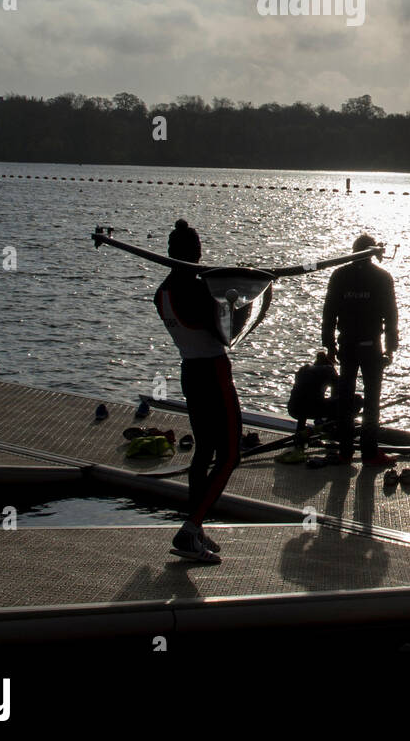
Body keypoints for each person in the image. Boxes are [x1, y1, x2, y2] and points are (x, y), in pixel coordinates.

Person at [154, 219, 241, 564]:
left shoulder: (161, 293)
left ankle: (196, 526)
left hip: (189, 370)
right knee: (230, 454)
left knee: (204, 451)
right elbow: (228, 334)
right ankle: (190, 528)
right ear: (196, 252)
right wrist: (244, 301)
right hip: (214, 372)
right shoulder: (198, 291)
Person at [321, 234, 399, 467]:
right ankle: (369, 453)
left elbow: (329, 311)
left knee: (345, 401)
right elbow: (391, 315)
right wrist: (391, 347)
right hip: (371, 347)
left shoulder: (339, 275)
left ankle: (345, 452)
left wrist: (329, 343)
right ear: (373, 252)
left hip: (347, 346)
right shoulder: (383, 277)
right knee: (372, 402)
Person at [287, 349, 339, 438]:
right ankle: (331, 427)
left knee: (305, 397)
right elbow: (339, 390)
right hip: (312, 409)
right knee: (344, 402)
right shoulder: (329, 370)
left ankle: (301, 429)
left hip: (293, 409)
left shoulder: (304, 369)